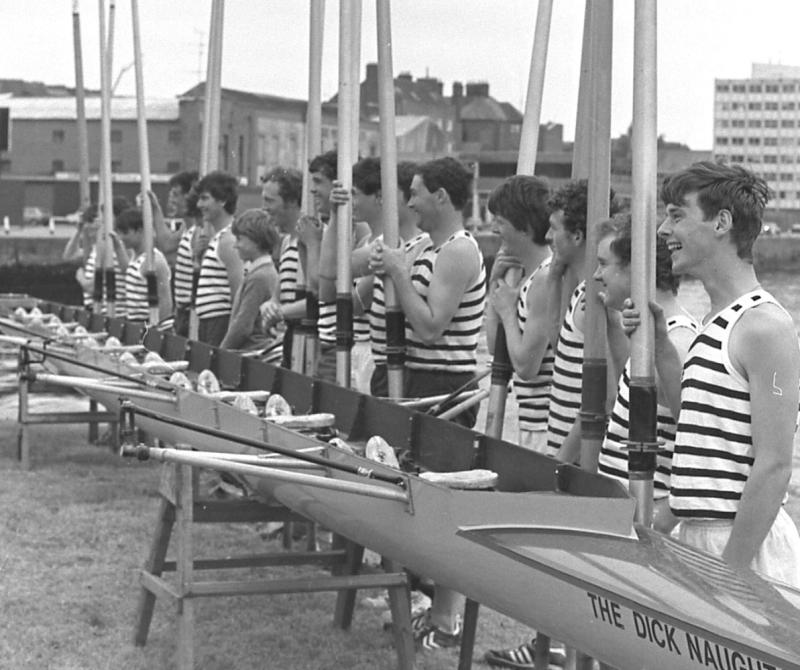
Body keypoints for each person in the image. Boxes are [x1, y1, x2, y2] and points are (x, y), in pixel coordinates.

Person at [624, 161, 800, 586]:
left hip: (742, 546)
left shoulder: (764, 327)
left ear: (721, 222)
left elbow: (774, 465)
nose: (663, 230)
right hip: (702, 535)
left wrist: (729, 576)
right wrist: (661, 346)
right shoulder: (715, 322)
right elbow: (696, 426)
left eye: (676, 215)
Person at [370, 156, 486, 651]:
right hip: (408, 378)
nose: (410, 201)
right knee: (403, 494)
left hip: (443, 384)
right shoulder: (421, 245)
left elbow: (432, 325)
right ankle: (417, 598)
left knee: (440, 502)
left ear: (441, 196)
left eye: (416, 192)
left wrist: (398, 274)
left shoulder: (458, 250)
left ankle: (446, 618)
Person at [593, 213, 697, 531]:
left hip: (644, 524)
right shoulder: (651, 337)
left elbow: (697, 445)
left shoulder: (678, 341)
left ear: (635, 270)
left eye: (603, 264)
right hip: (624, 517)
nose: (597, 275)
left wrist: (656, 522)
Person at [484, 175, 554, 453]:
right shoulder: (525, 277)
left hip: (546, 425)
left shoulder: (544, 279)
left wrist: (507, 313)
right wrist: (495, 285)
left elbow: (526, 367)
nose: (493, 229)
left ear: (525, 227)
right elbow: (495, 347)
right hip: (531, 421)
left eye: (500, 222)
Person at [296, 150, 370, 384]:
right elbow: (313, 285)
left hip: (344, 344)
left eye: (319, 182)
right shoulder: (330, 228)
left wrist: (312, 244)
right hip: (327, 339)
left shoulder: (355, 229)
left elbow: (322, 289)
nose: (313, 190)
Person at [258, 167, 306, 365]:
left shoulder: (310, 242)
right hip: (290, 338)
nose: (265, 208)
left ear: (292, 201)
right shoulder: (287, 242)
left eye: (270, 201)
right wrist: (269, 307)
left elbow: (318, 301)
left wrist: (279, 313)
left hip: (308, 340)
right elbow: (277, 298)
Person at [194, 171, 243, 347]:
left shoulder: (228, 240)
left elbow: (238, 292)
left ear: (222, 200)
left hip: (219, 322)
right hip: (209, 322)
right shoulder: (218, 238)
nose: (199, 204)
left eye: (205, 198)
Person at [220, 209, 280, 351]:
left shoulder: (259, 277)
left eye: (240, 239)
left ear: (256, 240)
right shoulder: (262, 272)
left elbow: (242, 326)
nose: (235, 245)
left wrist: (221, 352)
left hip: (252, 350)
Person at [70, 197, 132, 315]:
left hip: (109, 310)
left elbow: (93, 286)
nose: (101, 220)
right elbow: (69, 255)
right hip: (102, 308)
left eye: (105, 216)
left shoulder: (113, 245)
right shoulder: (106, 245)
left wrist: (80, 277)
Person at [114, 208, 173, 324]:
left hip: (148, 324)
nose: (121, 237)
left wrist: (156, 329)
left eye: (125, 233)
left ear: (140, 231)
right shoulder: (134, 256)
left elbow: (165, 301)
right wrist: (117, 247)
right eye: (119, 233)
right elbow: (129, 273)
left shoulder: (155, 260)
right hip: (133, 323)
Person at [170, 188, 203, 337]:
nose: (172, 200)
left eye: (176, 195)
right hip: (182, 309)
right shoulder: (188, 231)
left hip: (193, 310)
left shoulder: (201, 234)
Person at [154, 170, 199, 267]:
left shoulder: (201, 230)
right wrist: (155, 209)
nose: (171, 200)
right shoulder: (185, 227)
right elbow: (167, 244)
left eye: (175, 195)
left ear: (189, 196)